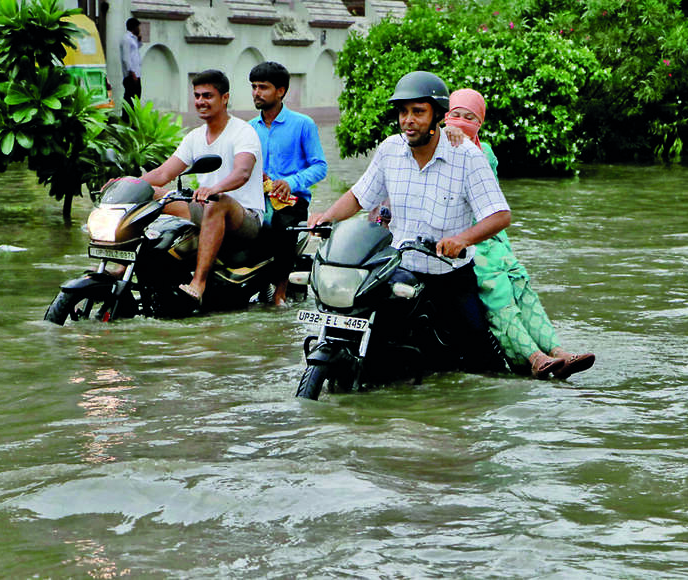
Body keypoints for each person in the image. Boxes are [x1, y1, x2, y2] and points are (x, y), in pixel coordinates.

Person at [308, 71, 510, 373]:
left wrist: (463, 240)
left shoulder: (467, 157)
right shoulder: (390, 149)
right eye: (403, 112)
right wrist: (326, 217)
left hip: (448, 275)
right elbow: (359, 196)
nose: (408, 120)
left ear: (438, 116)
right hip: (396, 270)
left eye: (418, 111)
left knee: (481, 358)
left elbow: (499, 215)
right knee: (365, 331)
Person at [443, 88, 595, 379]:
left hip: (493, 237)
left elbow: (483, 181)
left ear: (480, 122)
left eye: (469, 116)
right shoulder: (437, 148)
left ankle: (557, 351)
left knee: (520, 283)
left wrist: (464, 143)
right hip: (465, 241)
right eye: (456, 115)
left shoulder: (484, 152)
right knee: (497, 290)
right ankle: (534, 357)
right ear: (446, 116)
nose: (461, 121)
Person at [140, 69, 266, 307]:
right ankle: (119, 268)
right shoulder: (195, 137)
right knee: (152, 194)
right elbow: (163, 173)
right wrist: (127, 183)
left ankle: (198, 283)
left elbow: (242, 172)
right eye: (197, 96)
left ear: (225, 98)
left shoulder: (243, 132)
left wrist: (214, 189)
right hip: (206, 207)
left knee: (217, 203)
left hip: (244, 218)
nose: (200, 101)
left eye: (207, 95)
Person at [247, 61, 328, 306]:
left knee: (279, 226)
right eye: (253, 87)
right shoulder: (248, 128)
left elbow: (320, 166)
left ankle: (280, 292)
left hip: (292, 200)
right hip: (257, 197)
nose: (256, 93)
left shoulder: (303, 124)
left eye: (263, 87)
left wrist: (290, 182)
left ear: (281, 91)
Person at [119, 18, 142, 105]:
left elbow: (135, 51)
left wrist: (139, 41)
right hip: (131, 75)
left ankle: (132, 117)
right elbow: (126, 58)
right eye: (138, 27)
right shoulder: (126, 39)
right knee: (130, 97)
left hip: (136, 73)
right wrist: (132, 72)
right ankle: (126, 117)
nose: (139, 29)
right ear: (134, 27)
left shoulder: (133, 39)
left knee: (136, 96)